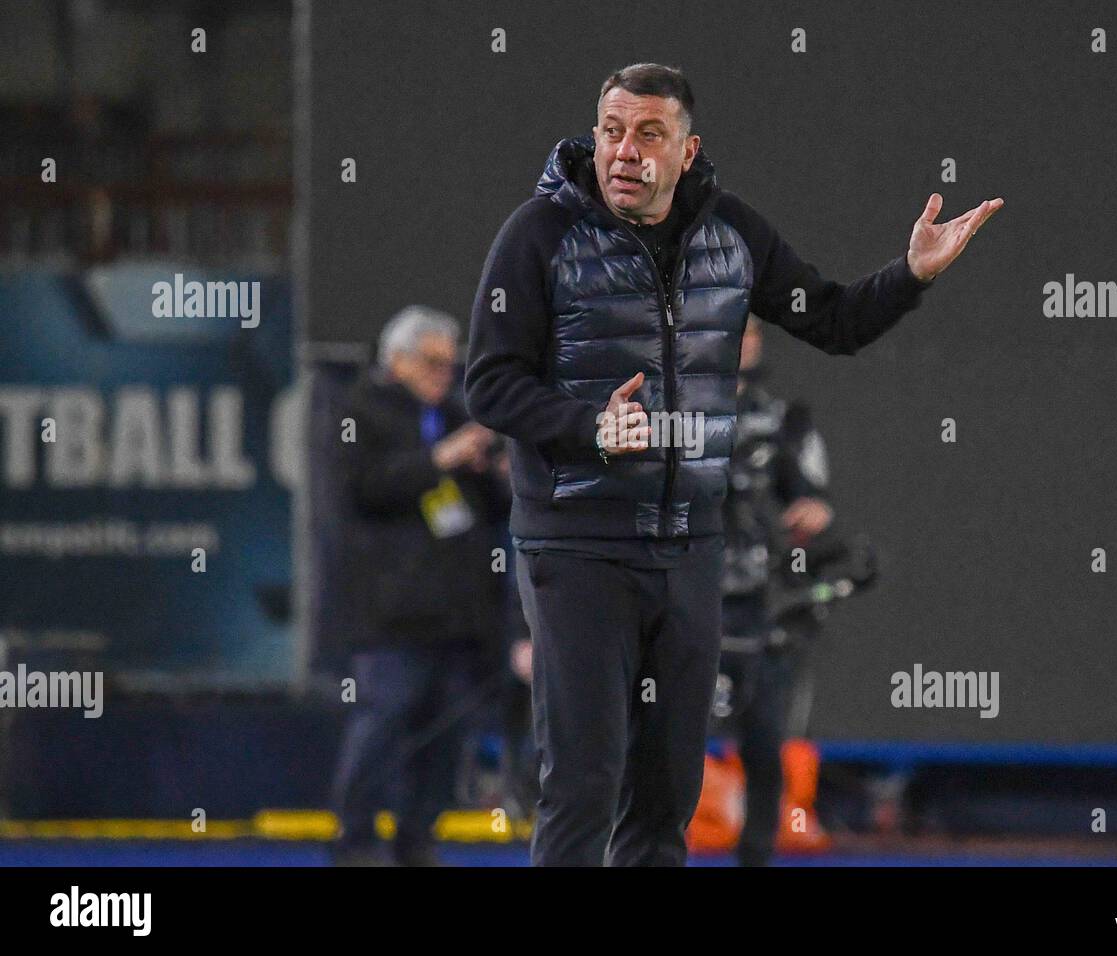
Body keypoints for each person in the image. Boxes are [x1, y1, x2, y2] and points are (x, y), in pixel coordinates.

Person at [465, 63, 1002, 866]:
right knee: (583, 781)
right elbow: (490, 384)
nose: (624, 151)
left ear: (688, 149)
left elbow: (833, 320)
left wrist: (912, 274)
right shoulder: (537, 235)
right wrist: (589, 427)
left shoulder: (732, 232)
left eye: (649, 134)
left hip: (690, 548)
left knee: (665, 793)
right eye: (612, 130)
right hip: (576, 548)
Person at [331, 306, 508, 866]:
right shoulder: (361, 411)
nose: (442, 374)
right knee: (381, 727)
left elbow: (496, 511)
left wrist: (491, 470)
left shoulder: (457, 414)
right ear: (397, 359)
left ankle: (416, 838)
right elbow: (365, 490)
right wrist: (439, 459)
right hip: (393, 613)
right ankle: (356, 841)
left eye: (449, 364)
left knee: (443, 736)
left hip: (458, 614)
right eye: (431, 362)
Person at [714, 317, 835, 866]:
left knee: (764, 737)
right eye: (734, 331)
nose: (747, 343)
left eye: (754, 333)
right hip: (689, 599)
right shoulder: (670, 415)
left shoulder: (783, 419)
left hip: (760, 602)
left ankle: (756, 854)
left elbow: (809, 497)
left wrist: (810, 511)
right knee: (666, 736)